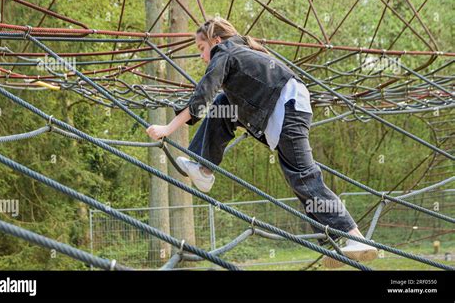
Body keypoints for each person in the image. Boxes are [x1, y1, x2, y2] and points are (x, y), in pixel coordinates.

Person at [146, 17, 377, 268]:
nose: (203, 57)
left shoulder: (225, 50)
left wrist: (168, 128)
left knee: (303, 176)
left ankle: (354, 237)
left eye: (202, 49)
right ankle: (203, 168)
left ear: (216, 41)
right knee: (225, 105)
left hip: (287, 109)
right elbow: (225, 98)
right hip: (277, 110)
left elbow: (204, 92)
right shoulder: (242, 53)